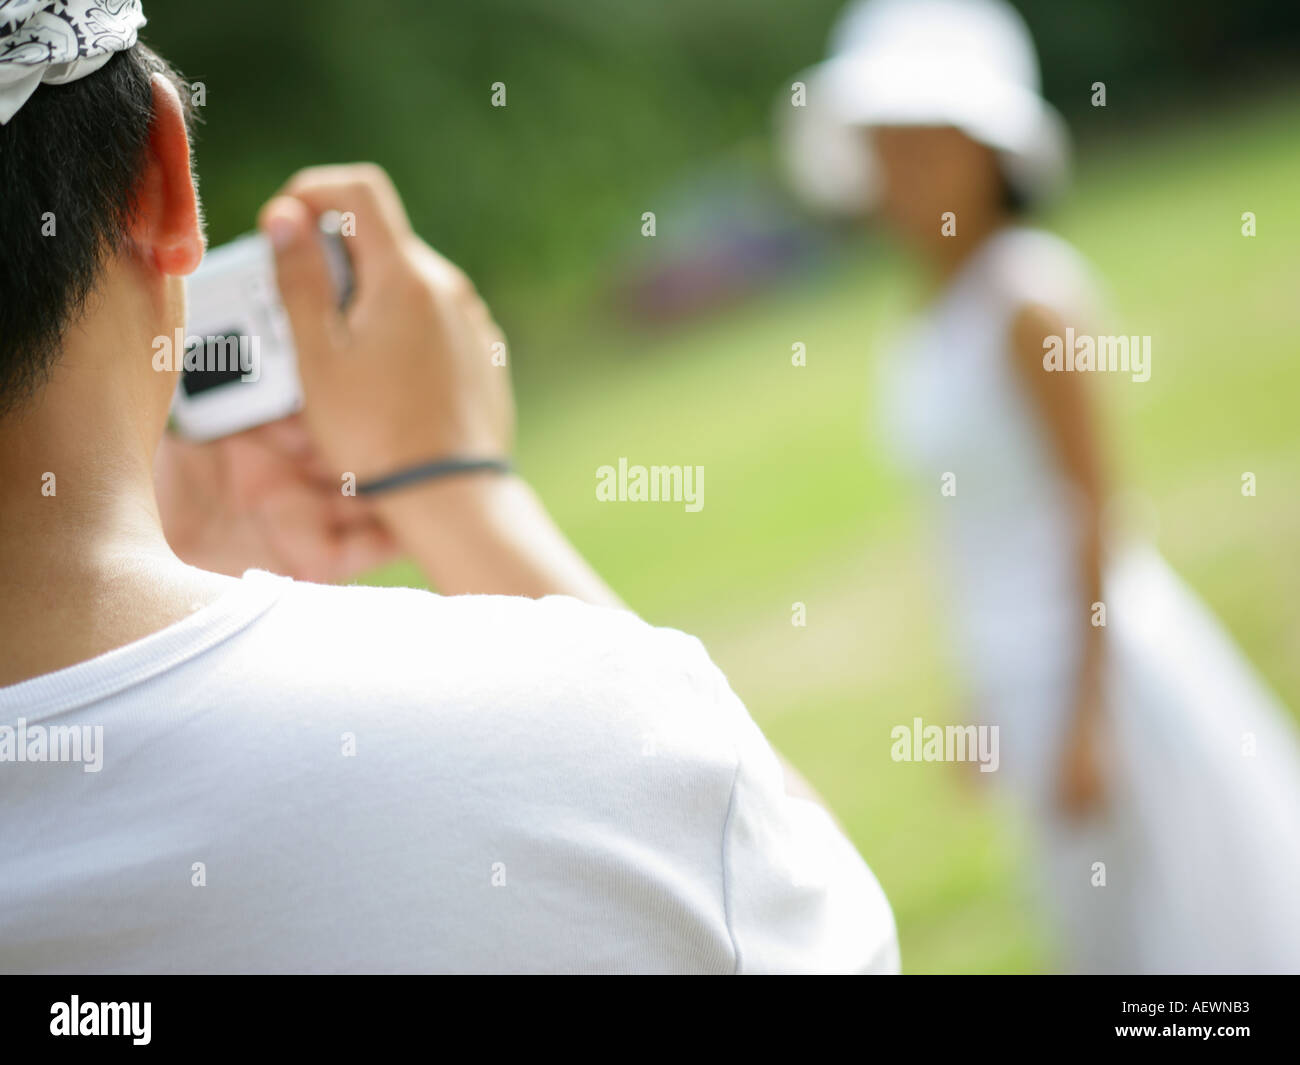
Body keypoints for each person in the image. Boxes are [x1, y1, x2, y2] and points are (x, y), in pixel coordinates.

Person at [0, 3, 898, 974]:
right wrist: (458, 492)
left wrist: (173, 543)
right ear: (161, 181)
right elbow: (828, 924)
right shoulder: (570, 735)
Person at [781, 0, 1300, 973]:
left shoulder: (1030, 297)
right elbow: (962, 530)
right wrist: (979, 695)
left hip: (1096, 666)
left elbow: (1092, 504)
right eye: (886, 147)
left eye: (928, 146)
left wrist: (1086, 716)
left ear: (989, 154)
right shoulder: (925, 316)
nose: (903, 173)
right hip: (1019, 667)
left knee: (1181, 932)